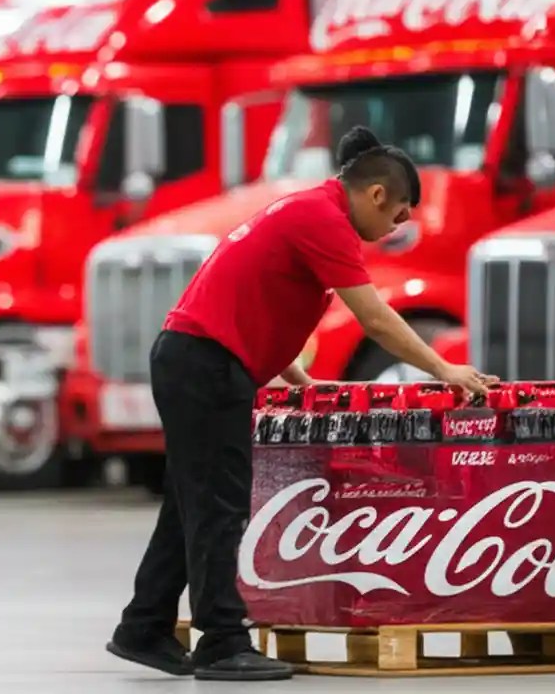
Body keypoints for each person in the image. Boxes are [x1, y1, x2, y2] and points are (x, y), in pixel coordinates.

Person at [105, 126, 497, 681]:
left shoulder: (305, 210)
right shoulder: (325, 221)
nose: (396, 228)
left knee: (191, 504)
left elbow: (262, 291)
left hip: (195, 359)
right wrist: (445, 369)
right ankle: (220, 641)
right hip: (207, 366)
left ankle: (143, 626)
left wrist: (293, 373)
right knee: (220, 506)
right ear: (377, 195)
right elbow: (376, 319)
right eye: (400, 214)